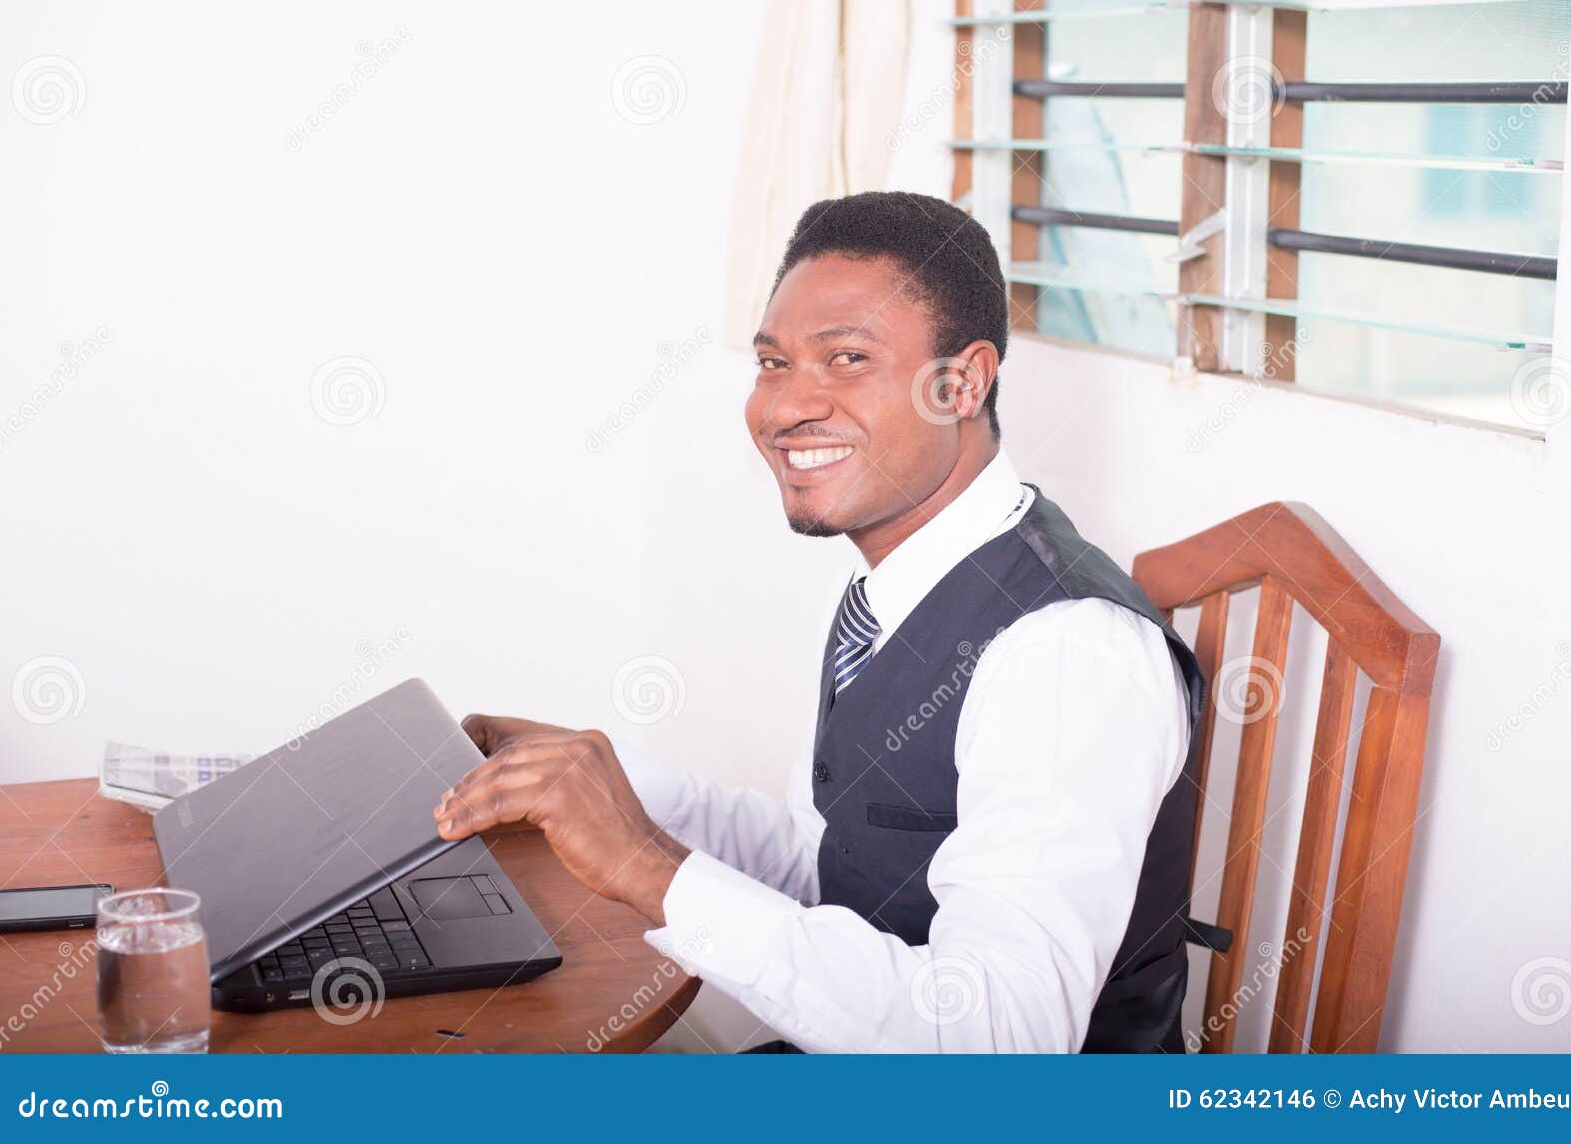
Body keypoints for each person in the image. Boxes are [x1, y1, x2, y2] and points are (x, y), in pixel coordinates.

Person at [434, 191, 1204, 1052]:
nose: (784, 408)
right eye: (772, 364)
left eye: (845, 359)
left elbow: (1003, 1042)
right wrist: (605, 782)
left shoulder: (1067, 653)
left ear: (963, 380)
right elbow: (827, 860)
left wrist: (645, 868)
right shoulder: (900, 582)